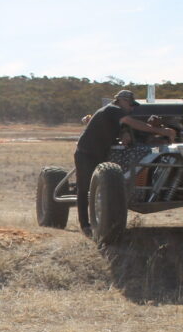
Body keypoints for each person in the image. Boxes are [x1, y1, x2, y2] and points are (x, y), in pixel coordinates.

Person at [74, 90, 176, 231]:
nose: (131, 108)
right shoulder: (112, 109)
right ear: (120, 100)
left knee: (100, 186)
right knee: (85, 188)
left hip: (101, 153)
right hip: (86, 152)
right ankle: (85, 225)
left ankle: (101, 218)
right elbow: (131, 122)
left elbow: (125, 127)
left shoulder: (115, 114)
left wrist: (125, 133)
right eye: (130, 104)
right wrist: (162, 131)